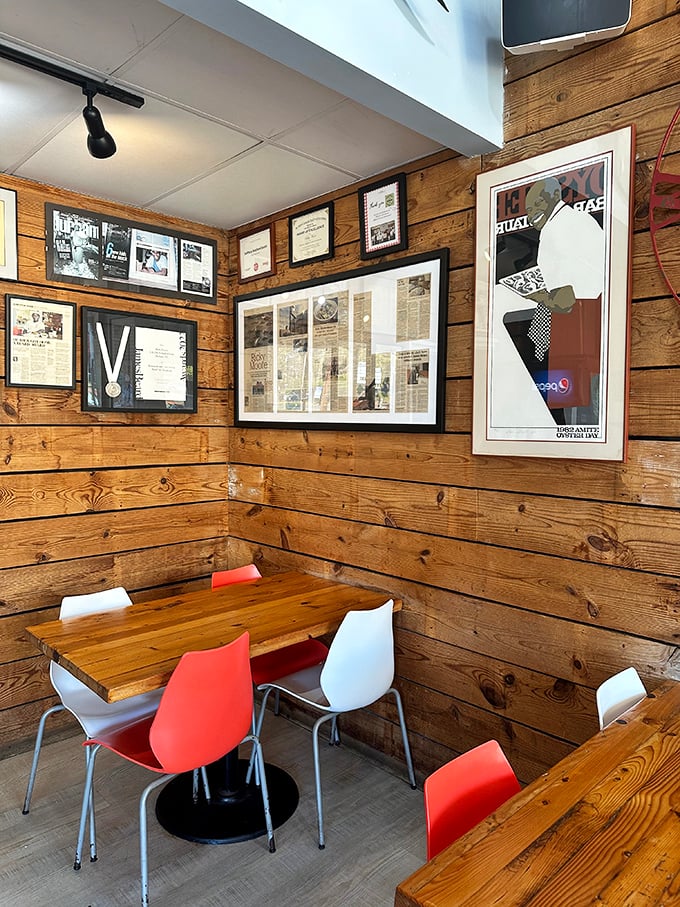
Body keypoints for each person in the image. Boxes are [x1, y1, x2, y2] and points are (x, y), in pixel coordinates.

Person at [523, 176, 605, 418]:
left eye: (537, 204)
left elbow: (567, 297)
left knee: (578, 415)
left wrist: (538, 296)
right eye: (528, 210)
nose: (531, 214)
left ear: (555, 197)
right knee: (575, 406)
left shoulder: (562, 227)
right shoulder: (571, 222)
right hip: (580, 333)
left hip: (577, 332)